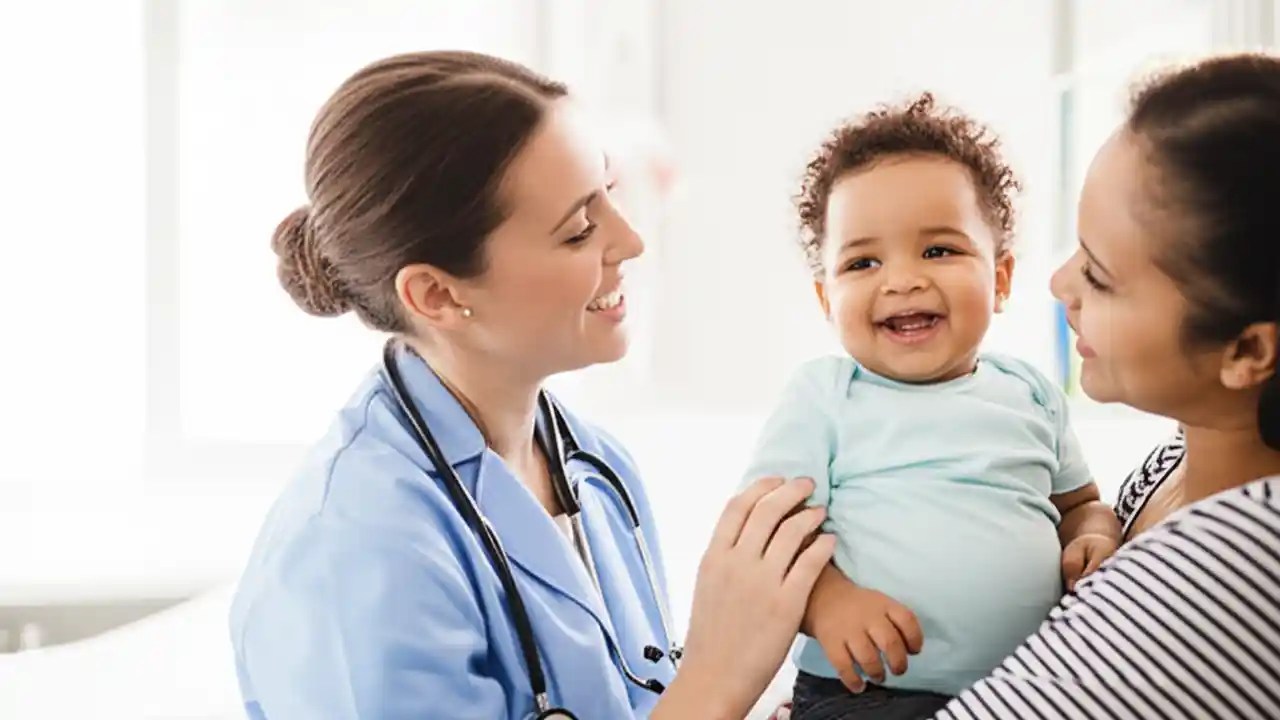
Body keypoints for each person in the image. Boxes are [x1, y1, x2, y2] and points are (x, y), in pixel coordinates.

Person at [227, 50, 836, 720]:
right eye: (579, 230)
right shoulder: (352, 555)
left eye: (611, 192)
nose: (630, 240)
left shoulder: (596, 469)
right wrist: (718, 680)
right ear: (435, 293)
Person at [916, 52, 1280, 718]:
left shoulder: (1234, 565)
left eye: (1100, 276)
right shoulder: (1187, 455)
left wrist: (720, 673)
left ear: (1248, 348)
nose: (1059, 286)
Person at [743, 94, 1121, 719]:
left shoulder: (1028, 392)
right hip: (869, 693)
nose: (902, 280)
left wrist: (1095, 533)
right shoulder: (825, 396)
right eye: (863, 261)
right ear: (825, 297)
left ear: (1000, 279)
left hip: (1031, 688)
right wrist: (829, 603)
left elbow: (1077, 504)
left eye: (938, 251)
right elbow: (767, 544)